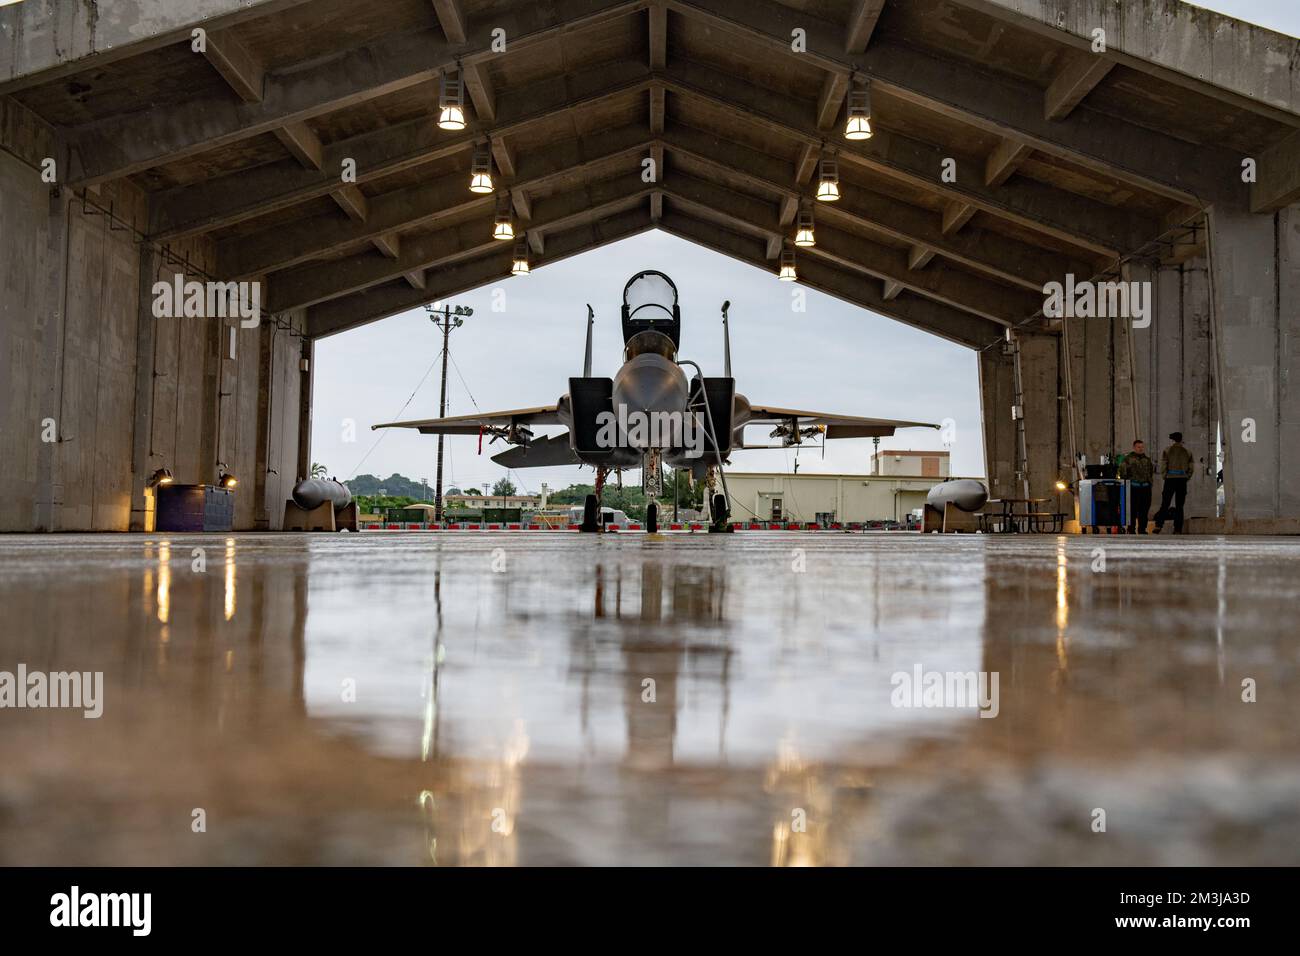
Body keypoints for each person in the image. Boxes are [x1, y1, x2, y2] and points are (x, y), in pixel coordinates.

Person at [1153, 431, 1193, 534]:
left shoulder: (1167, 450)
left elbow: (1164, 465)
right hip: (1182, 479)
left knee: (1165, 503)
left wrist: (1165, 476)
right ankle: (1178, 529)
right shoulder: (1188, 451)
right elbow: (1191, 467)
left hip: (1170, 479)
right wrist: (1186, 476)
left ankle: (1158, 525)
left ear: (1172, 440)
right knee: (1180, 505)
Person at [1118, 439, 1154, 533]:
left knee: (1144, 509)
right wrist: (1127, 484)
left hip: (1145, 488)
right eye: (1138, 447)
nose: (1140, 449)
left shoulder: (1147, 459)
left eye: (1142, 447)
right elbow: (1123, 472)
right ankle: (1131, 529)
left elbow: (1150, 472)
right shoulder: (1128, 459)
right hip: (1133, 487)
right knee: (1132, 510)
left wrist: (1149, 483)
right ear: (1134, 447)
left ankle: (1142, 529)